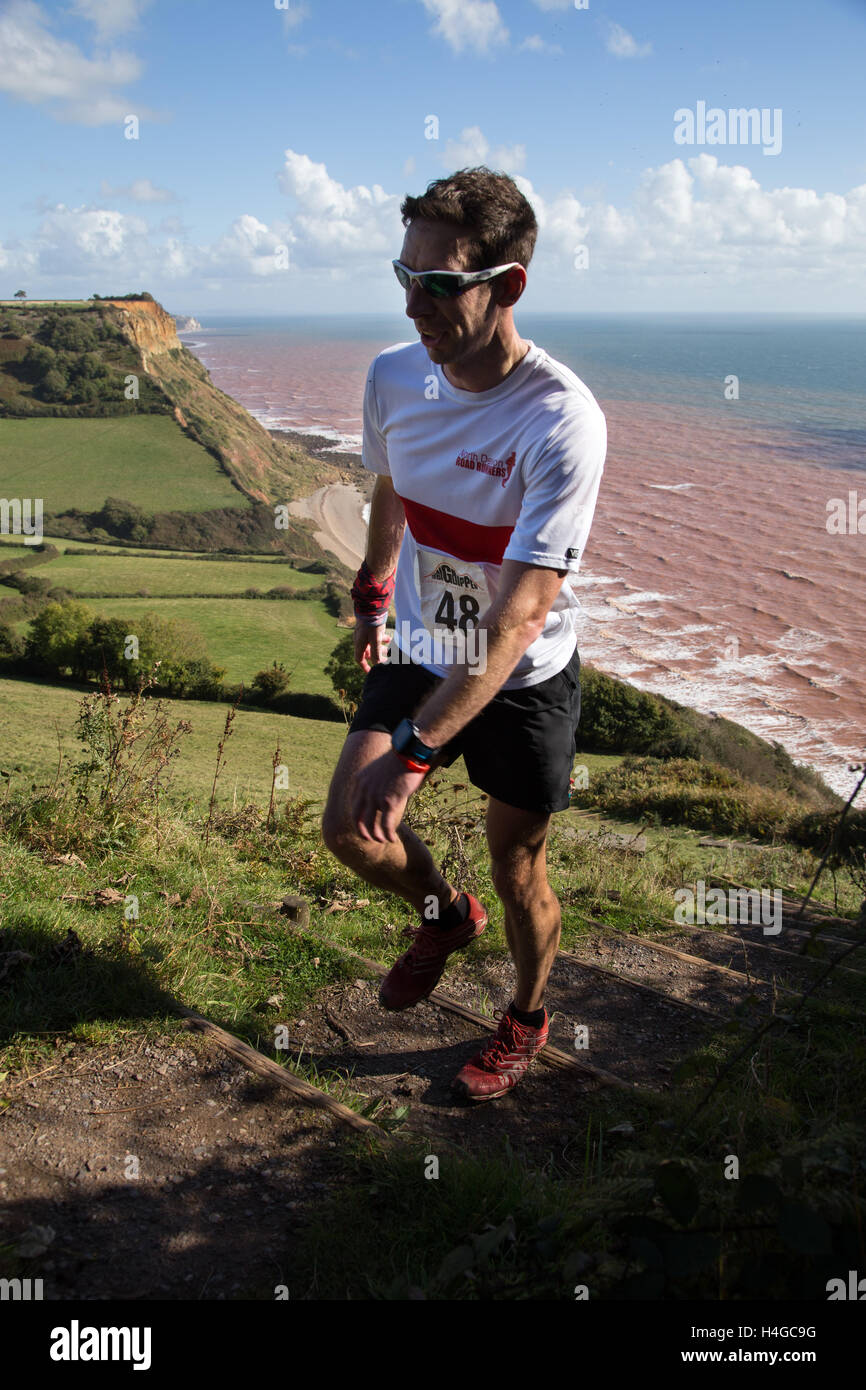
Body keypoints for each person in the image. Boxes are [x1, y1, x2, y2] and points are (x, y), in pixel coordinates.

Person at [322, 167, 606, 1102]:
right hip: (423, 640)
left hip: (521, 673)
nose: (414, 306)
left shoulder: (562, 421)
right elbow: (394, 483)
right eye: (403, 278)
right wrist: (371, 589)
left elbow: (521, 617)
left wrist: (412, 754)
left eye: (439, 285)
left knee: (517, 861)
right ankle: (443, 917)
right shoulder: (394, 376)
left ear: (509, 285)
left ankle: (525, 1015)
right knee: (351, 831)